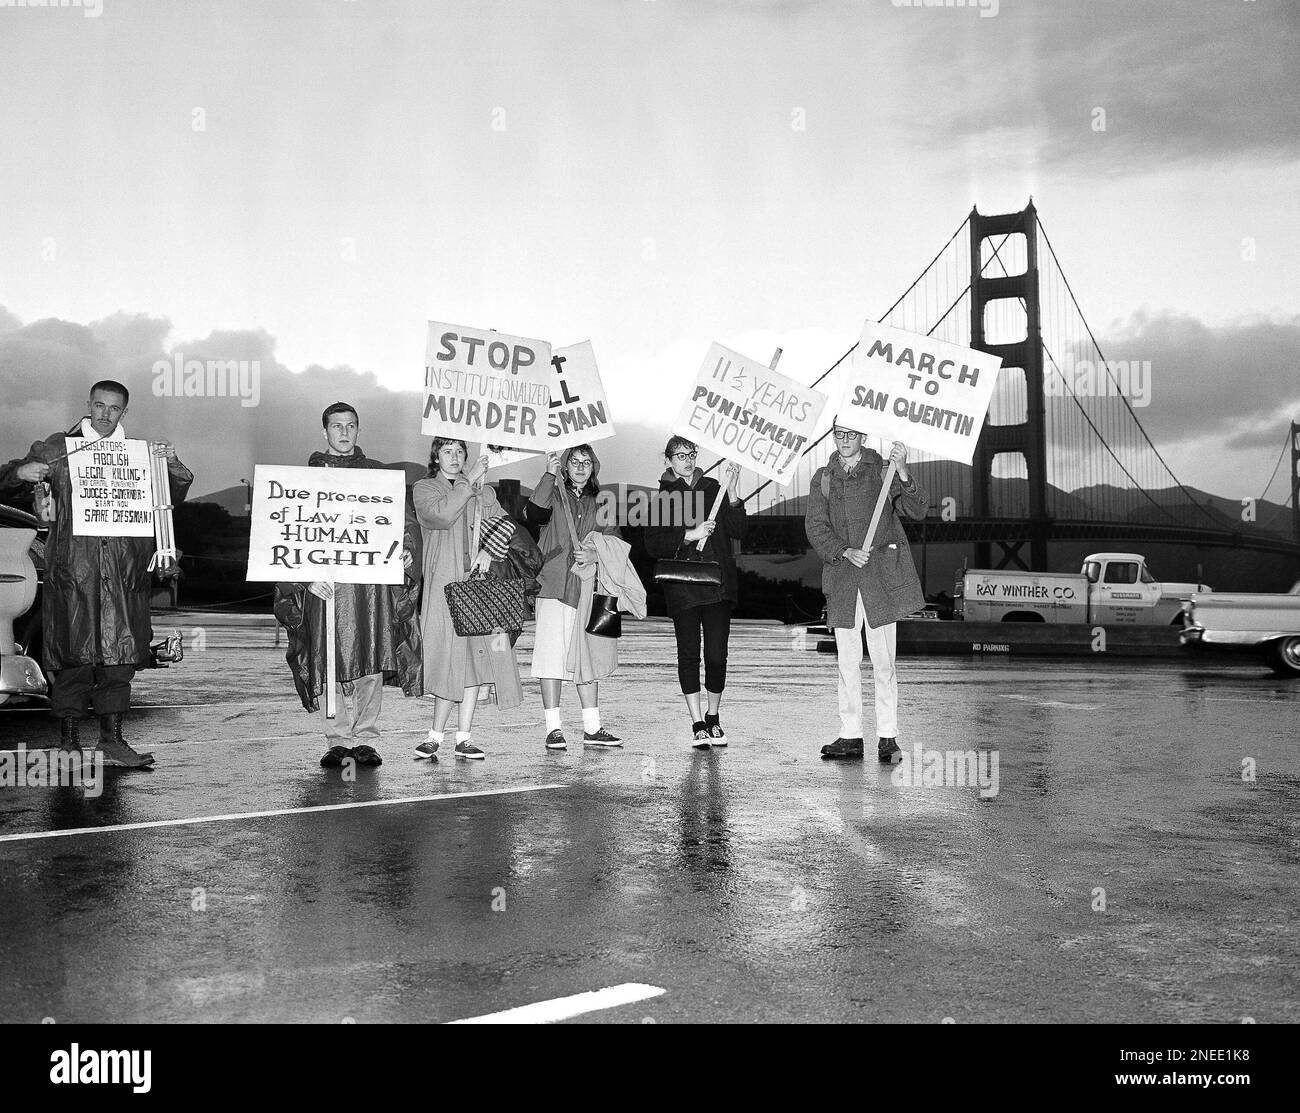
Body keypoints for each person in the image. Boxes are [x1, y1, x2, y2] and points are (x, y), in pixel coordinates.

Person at [0, 380, 192, 767]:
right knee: (73, 660)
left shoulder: (140, 455)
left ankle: (113, 742)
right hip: (75, 573)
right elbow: (8, 481)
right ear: (88, 404)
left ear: (125, 412)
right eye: (99, 406)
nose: (105, 415)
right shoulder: (57, 449)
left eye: (114, 408)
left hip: (125, 576)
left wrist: (171, 465)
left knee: (119, 662)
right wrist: (20, 472)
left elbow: (171, 494)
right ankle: (68, 744)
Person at [271, 402, 423, 769]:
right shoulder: (305, 478)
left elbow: (405, 524)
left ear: (358, 431)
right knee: (330, 660)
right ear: (324, 432)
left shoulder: (379, 476)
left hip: (369, 589)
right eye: (336, 426)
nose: (343, 432)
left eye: (350, 426)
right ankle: (338, 739)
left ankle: (367, 738)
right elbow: (286, 534)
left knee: (371, 659)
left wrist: (406, 552)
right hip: (325, 587)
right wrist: (303, 579)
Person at [804, 420, 928, 762]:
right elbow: (815, 526)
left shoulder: (884, 471)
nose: (845, 440)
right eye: (839, 434)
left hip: (880, 579)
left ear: (863, 436)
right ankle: (851, 735)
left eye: (852, 434)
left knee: (884, 662)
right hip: (843, 577)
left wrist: (903, 471)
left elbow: (917, 510)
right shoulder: (822, 478)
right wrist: (843, 550)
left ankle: (888, 737)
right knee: (847, 661)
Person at [412, 438, 522, 760]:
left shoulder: (483, 491)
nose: (455, 457)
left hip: (477, 588)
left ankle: (464, 737)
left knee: (475, 661)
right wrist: (467, 481)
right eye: (447, 451)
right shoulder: (425, 489)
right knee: (447, 658)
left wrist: (490, 550)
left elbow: (505, 525)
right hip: (444, 588)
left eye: (460, 451)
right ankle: (434, 735)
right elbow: (442, 516)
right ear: (436, 457)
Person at [643, 437, 747, 750]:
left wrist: (734, 493)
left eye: (691, 454)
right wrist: (691, 534)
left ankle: (714, 717)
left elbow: (739, 530)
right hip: (682, 587)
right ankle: (697, 723)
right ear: (668, 460)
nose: (687, 460)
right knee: (688, 654)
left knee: (716, 655)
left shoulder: (714, 487)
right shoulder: (661, 498)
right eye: (680, 455)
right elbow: (653, 545)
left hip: (717, 584)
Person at [523, 444, 625, 751]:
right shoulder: (553, 493)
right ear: (566, 467)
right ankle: (554, 729)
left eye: (586, 462)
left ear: (594, 468)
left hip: (588, 590)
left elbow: (616, 542)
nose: (580, 466)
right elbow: (533, 514)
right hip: (553, 584)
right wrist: (548, 472)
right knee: (550, 657)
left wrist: (595, 553)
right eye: (574, 462)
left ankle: (592, 728)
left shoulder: (602, 502)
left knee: (588, 657)